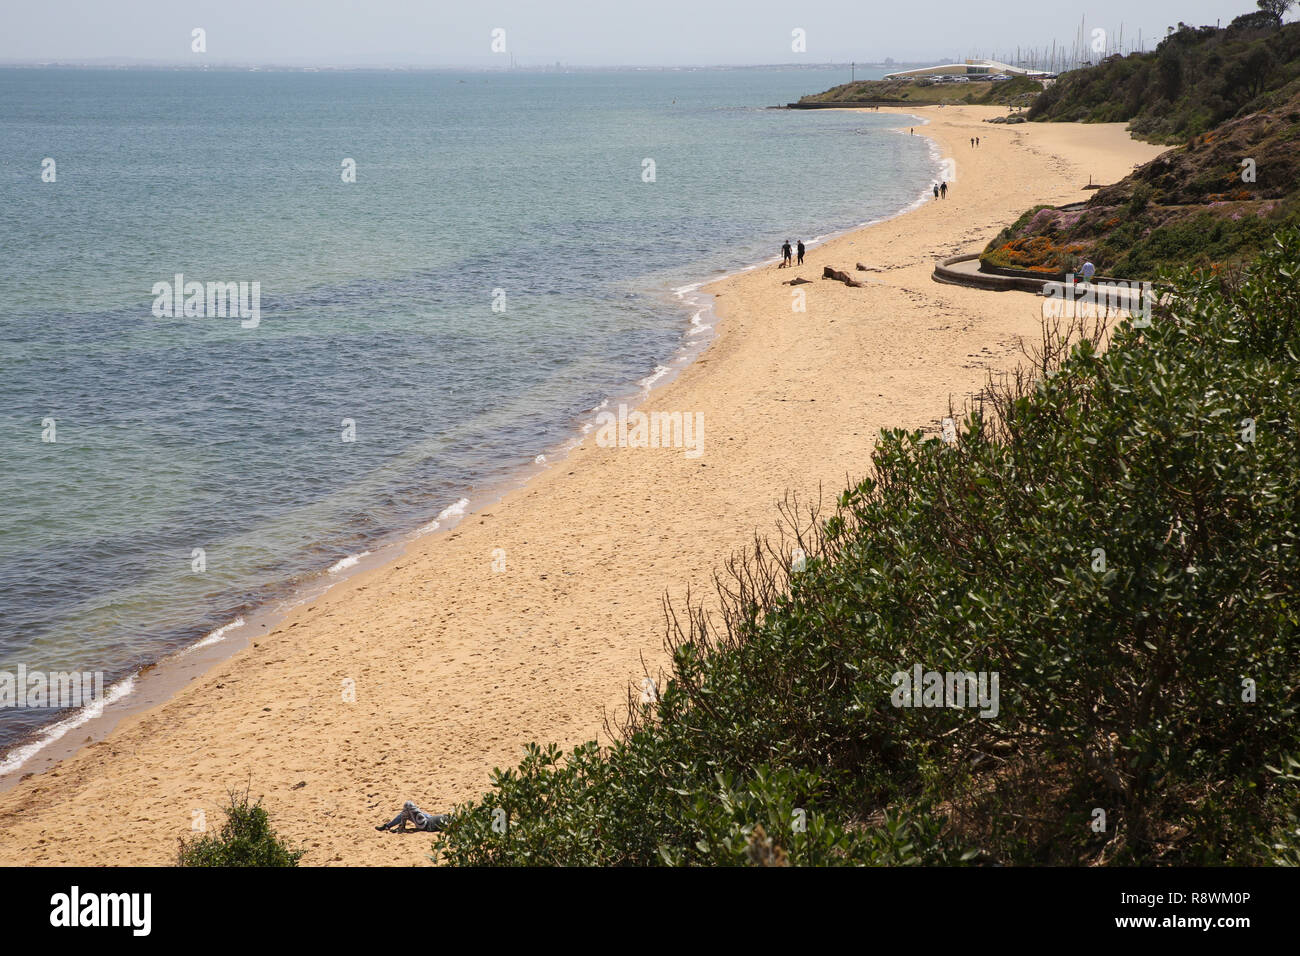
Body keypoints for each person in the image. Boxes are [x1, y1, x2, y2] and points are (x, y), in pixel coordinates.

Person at [377, 800, 451, 833]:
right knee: (405, 812)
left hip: (425, 824)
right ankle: (389, 826)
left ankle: (400, 827)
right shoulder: (452, 819)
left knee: (408, 804)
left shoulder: (451, 823)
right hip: (428, 819)